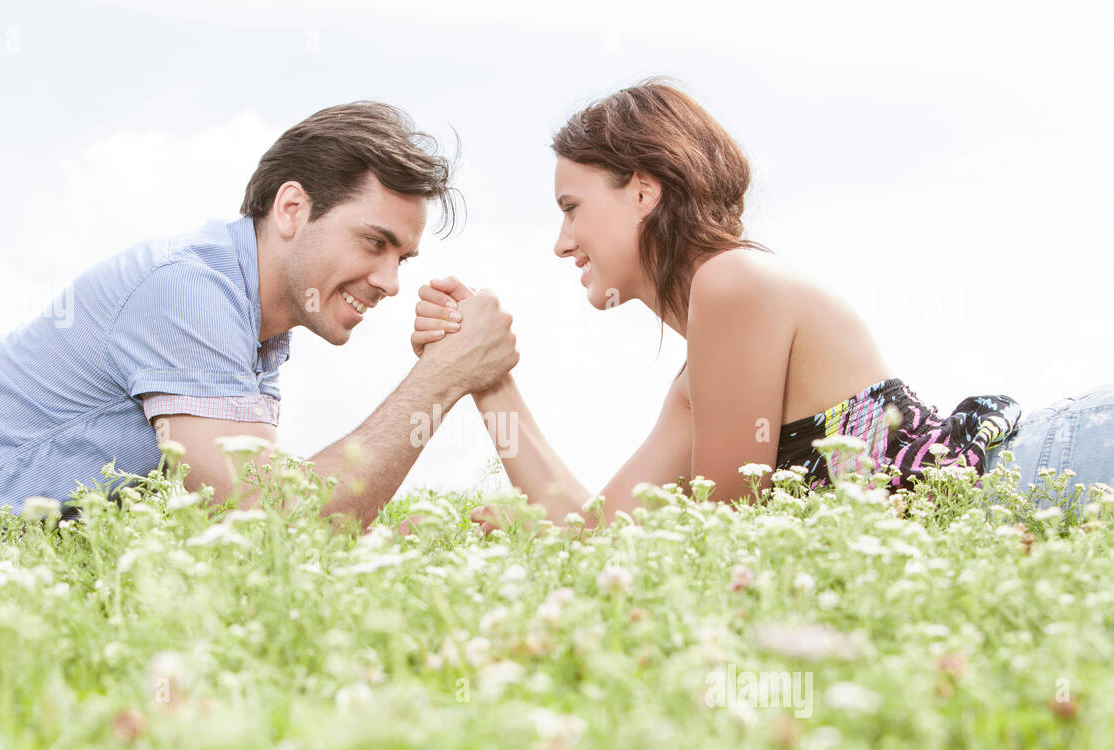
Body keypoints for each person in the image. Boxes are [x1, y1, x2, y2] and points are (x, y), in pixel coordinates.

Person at [409, 77, 1114, 531]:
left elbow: (724, 532)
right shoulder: (698, 379)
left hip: (1056, 470)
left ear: (643, 191)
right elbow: (593, 538)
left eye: (572, 207)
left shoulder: (731, 284)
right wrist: (487, 381)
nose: (563, 243)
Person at [0, 101, 519, 537]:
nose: (391, 282)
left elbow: (218, 520)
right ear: (293, 208)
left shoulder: (255, 334)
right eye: (374, 242)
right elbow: (272, 526)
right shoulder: (189, 294)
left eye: (404, 257)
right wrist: (444, 376)